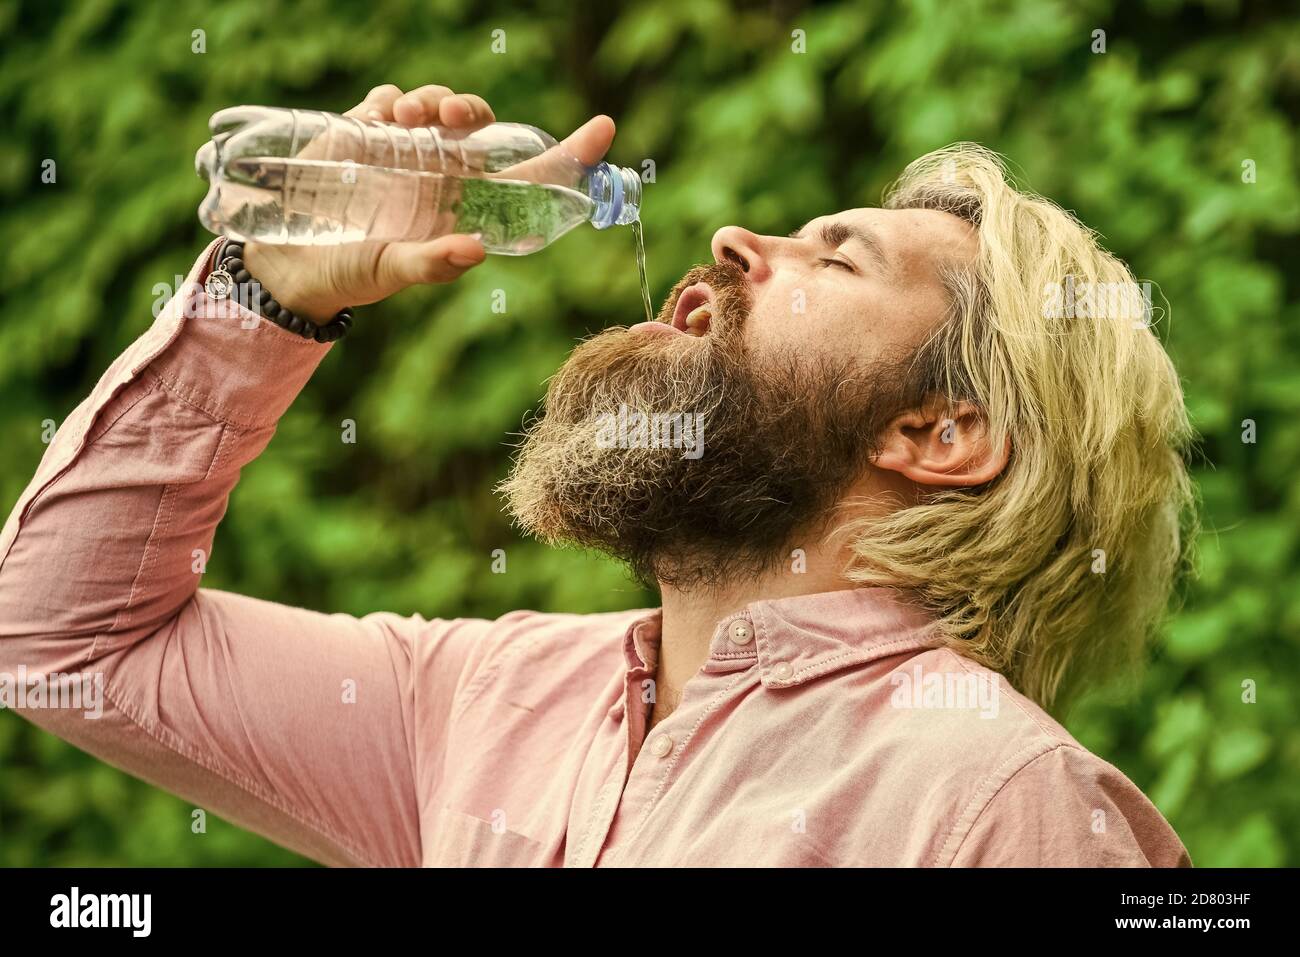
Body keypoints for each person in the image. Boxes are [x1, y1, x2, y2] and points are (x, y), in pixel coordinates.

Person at [0, 82, 1194, 867]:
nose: (732, 241)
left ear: (940, 434)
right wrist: (272, 297)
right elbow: (62, 645)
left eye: (834, 258)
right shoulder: (486, 699)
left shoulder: (1008, 810)